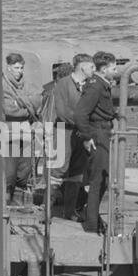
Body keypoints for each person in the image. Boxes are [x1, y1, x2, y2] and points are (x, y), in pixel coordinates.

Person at [74, 50, 119, 234]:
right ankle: (91, 223)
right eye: (114, 68)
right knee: (98, 180)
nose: (116, 71)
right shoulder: (96, 86)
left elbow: (103, 109)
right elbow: (80, 113)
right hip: (98, 133)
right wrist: (87, 136)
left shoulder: (102, 85)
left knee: (103, 179)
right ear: (104, 69)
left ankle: (90, 214)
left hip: (103, 131)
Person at [44, 52, 94, 218]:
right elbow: (62, 111)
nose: (93, 69)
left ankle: (70, 211)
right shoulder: (63, 85)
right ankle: (47, 212)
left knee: (77, 172)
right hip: (63, 131)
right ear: (82, 67)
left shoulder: (89, 85)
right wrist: (82, 120)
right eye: (91, 66)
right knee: (57, 171)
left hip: (80, 133)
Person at [2, 52, 45, 200]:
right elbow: (8, 109)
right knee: (10, 173)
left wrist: (20, 103)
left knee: (24, 171)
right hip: (9, 134)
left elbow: (37, 101)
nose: (19, 71)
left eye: (21, 68)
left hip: (26, 132)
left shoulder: (27, 84)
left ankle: (19, 199)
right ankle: (8, 200)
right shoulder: (3, 85)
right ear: (9, 68)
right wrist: (26, 105)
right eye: (16, 68)